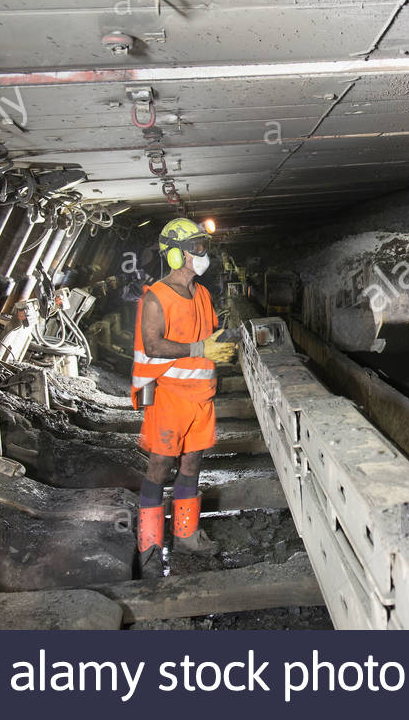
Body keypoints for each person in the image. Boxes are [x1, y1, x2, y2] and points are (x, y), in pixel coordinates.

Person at [130, 218, 237, 577]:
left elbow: (207, 339)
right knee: (160, 467)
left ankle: (187, 535)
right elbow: (153, 344)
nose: (202, 254)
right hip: (170, 398)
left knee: (192, 465)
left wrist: (225, 344)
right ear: (175, 254)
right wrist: (199, 347)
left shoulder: (203, 294)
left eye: (204, 247)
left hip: (200, 397)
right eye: (197, 248)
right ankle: (148, 543)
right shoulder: (156, 297)